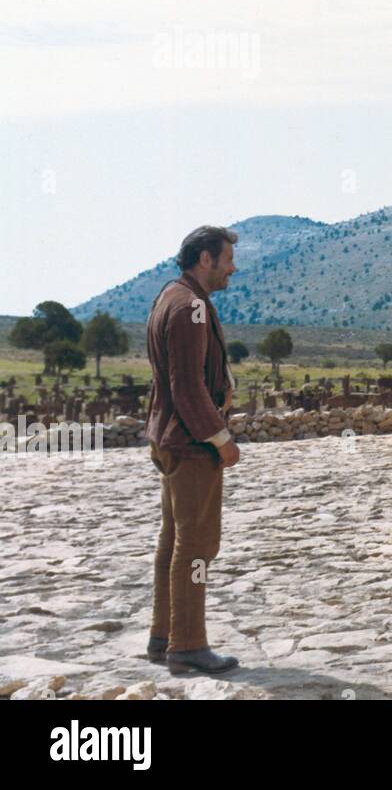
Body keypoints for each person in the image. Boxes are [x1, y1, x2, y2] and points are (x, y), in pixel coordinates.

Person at [143, 225, 242, 676]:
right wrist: (220, 438)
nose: (231, 269)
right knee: (197, 546)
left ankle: (163, 635)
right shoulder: (192, 308)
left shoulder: (170, 296)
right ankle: (188, 644)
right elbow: (188, 385)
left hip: (169, 438)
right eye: (226, 260)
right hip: (191, 442)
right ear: (205, 259)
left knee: (174, 542)